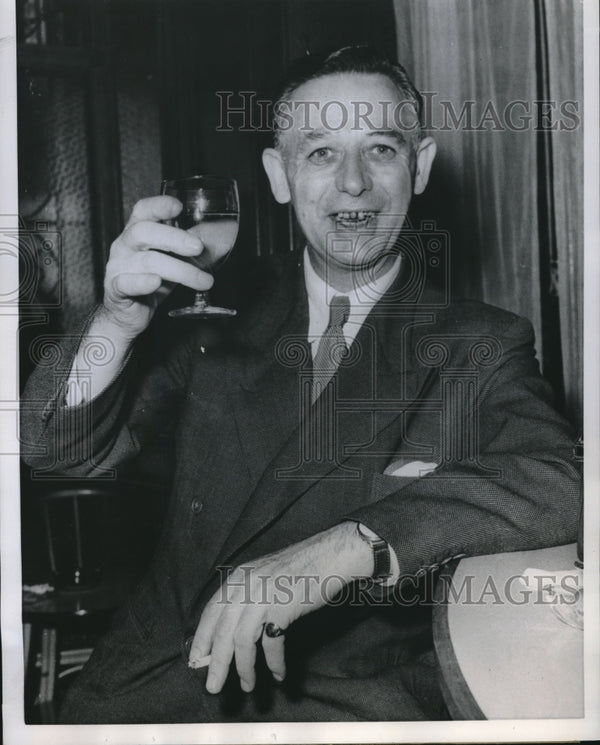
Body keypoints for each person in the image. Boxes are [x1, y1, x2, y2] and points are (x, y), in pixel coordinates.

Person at [21, 45, 581, 723]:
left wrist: (356, 543)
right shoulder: (208, 310)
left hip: (339, 710)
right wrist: (118, 320)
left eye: (380, 149)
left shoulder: (480, 342)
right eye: (320, 152)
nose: (353, 183)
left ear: (420, 165)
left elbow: (565, 479)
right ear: (278, 175)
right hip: (149, 694)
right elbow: (55, 450)